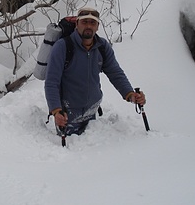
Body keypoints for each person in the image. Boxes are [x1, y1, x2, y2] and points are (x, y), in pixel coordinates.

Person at [45, 7, 146, 135]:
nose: (88, 26)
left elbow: (115, 73)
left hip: (92, 110)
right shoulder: (63, 46)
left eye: (92, 23)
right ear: (77, 24)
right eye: (84, 22)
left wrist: (131, 95)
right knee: (74, 152)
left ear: (98, 26)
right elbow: (51, 82)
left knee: (94, 147)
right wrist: (56, 110)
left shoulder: (102, 47)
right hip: (67, 113)